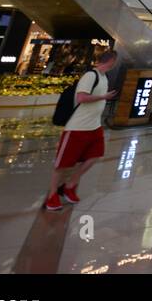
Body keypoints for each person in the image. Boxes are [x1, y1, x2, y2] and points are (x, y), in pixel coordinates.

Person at [44, 49, 119, 211]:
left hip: (94, 126)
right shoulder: (90, 76)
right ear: (111, 61)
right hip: (77, 127)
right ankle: (52, 195)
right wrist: (103, 97)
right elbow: (81, 98)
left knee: (95, 156)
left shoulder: (104, 77)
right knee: (62, 164)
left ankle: (70, 185)